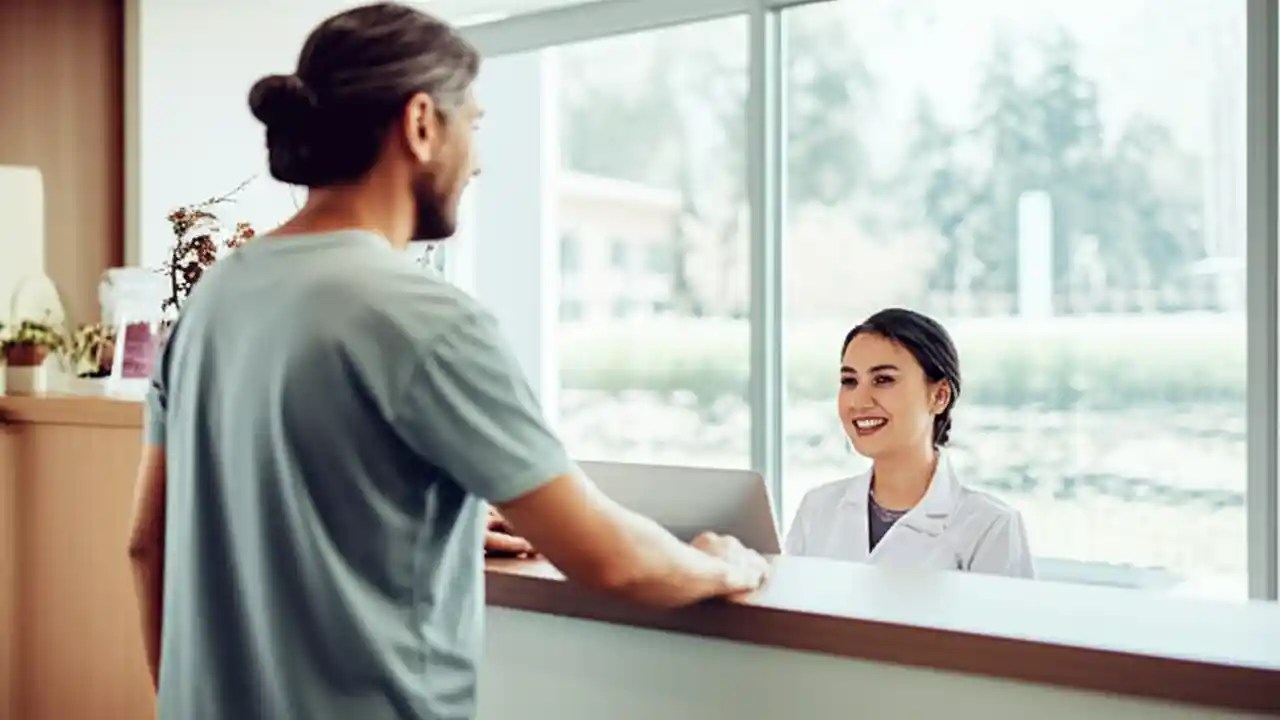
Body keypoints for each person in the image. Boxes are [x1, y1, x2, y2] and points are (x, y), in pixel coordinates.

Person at [124, 4, 768, 719]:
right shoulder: (421, 315)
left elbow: (147, 544)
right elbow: (607, 557)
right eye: (476, 125)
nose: (479, 160)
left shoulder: (213, 298)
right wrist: (720, 565)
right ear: (423, 123)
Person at [785, 308, 1034, 578]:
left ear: (939, 396)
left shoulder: (990, 527)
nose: (859, 401)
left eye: (883, 380)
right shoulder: (817, 509)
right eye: (849, 381)